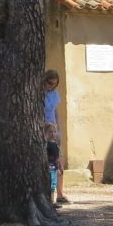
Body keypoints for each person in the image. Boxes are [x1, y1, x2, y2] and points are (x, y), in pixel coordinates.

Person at [43, 69, 68, 204]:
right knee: (49, 162)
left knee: (59, 160)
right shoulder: (40, 94)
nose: (52, 86)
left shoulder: (54, 94)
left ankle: (60, 194)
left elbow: (56, 112)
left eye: (55, 84)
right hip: (44, 127)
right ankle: (49, 196)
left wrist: (58, 129)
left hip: (53, 127)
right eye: (50, 83)